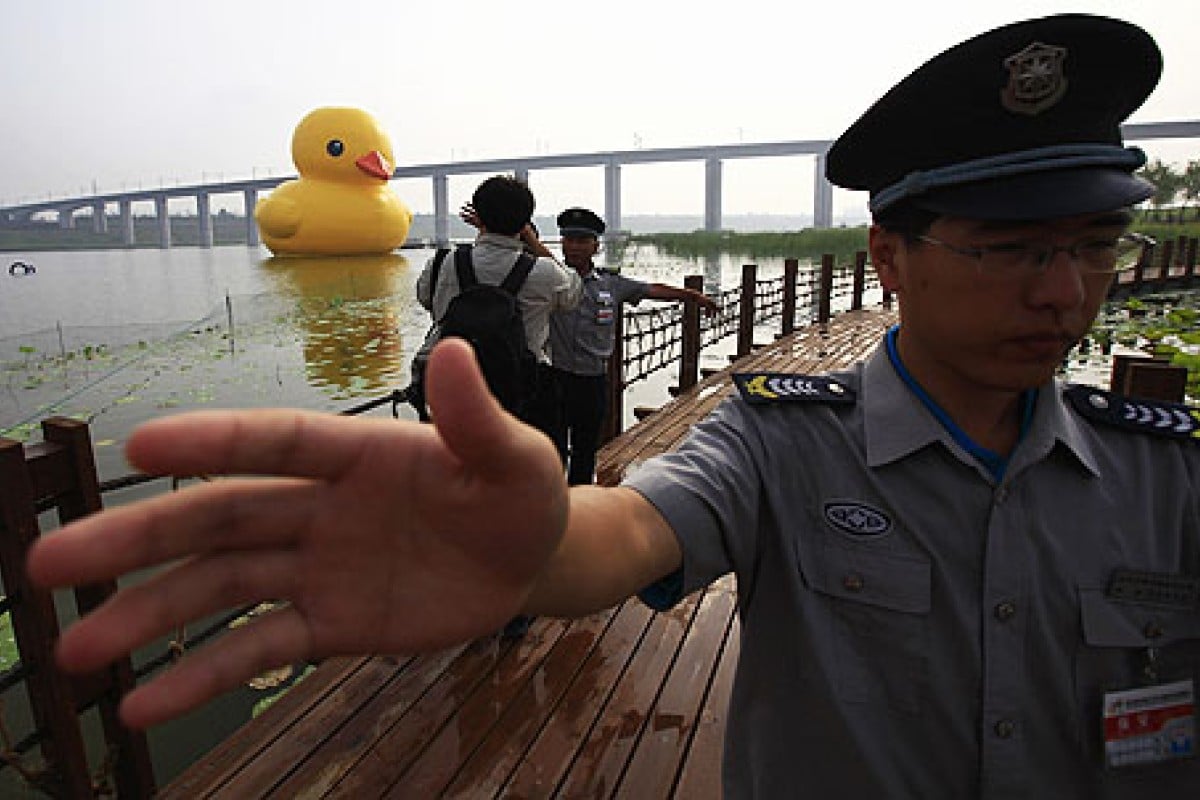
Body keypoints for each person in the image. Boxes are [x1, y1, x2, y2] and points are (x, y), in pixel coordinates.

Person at [25, 14, 1200, 798]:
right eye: (1008, 250)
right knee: (574, 477)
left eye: (1095, 244)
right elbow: (635, 523)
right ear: (889, 255)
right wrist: (521, 548)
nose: (1064, 291)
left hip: (516, 406)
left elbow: (468, 316)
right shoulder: (779, 436)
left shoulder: (1172, 476)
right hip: (527, 427)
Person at [548, 206, 718, 484]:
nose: (574, 247)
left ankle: (578, 507)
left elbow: (651, 289)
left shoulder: (610, 283)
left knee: (585, 449)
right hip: (556, 379)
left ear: (595, 246)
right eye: (569, 240)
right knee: (552, 450)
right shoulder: (549, 278)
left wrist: (692, 295)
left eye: (582, 241)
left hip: (592, 380)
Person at [408, 175, 581, 423]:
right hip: (519, 393)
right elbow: (573, 294)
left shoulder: (442, 262)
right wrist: (533, 241)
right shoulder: (545, 273)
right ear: (525, 222)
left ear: (479, 215)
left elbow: (427, 300)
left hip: (449, 387)